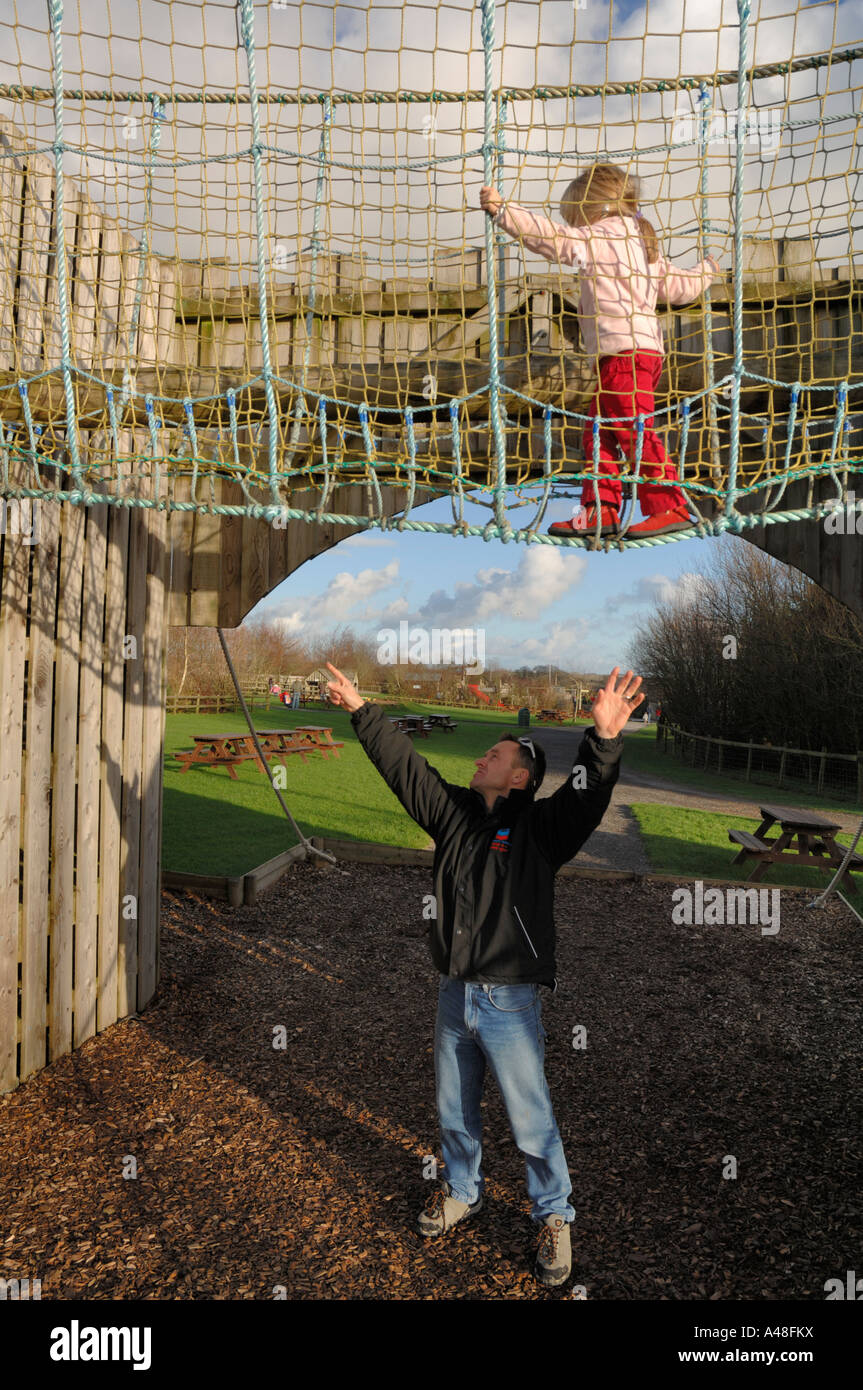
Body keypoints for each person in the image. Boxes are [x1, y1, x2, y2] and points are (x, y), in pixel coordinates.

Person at [325, 658, 644, 1287]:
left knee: (530, 1117)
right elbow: (405, 769)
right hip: (453, 993)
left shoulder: (541, 831)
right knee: (454, 1110)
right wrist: (363, 711)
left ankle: (554, 1215)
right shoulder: (454, 817)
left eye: (492, 756)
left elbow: (586, 796)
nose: (479, 761)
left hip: (509, 1002)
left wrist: (603, 741)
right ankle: (462, 1191)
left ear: (520, 775)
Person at [479, 163, 721, 538]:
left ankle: (670, 506)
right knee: (599, 429)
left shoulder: (594, 240)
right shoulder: (643, 248)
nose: (576, 226)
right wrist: (706, 271)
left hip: (624, 355)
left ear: (591, 211)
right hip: (642, 355)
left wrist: (503, 211)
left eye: (577, 218)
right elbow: (677, 287)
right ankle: (600, 509)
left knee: (630, 427)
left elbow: (551, 239)